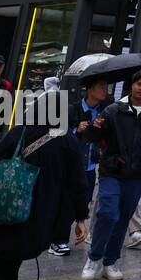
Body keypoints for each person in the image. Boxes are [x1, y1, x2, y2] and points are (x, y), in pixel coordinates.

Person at [0, 94, 89, 280]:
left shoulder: (19, 133)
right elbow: (78, 185)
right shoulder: (68, 141)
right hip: (31, 220)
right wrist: (81, 217)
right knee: (11, 270)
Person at [79, 69, 141, 280]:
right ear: (131, 85)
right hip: (111, 171)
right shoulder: (113, 110)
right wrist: (94, 127)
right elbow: (91, 138)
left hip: (136, 174)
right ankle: (94, 258)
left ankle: (110, 261)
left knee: (123, 220)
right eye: (139, 84)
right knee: (108, 214)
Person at [49, 75, 109, 257]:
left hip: (90, 165)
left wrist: (101, 129)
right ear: (89, 89)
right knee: (66, 204)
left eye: (106, 87)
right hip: (70, 167)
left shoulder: (104, 112)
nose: (105, 90)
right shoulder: (72, 110)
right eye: (101, 86)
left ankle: (78, 230)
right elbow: (55, 134)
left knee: (84, 203)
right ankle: (57, 241)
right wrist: (76, 130)